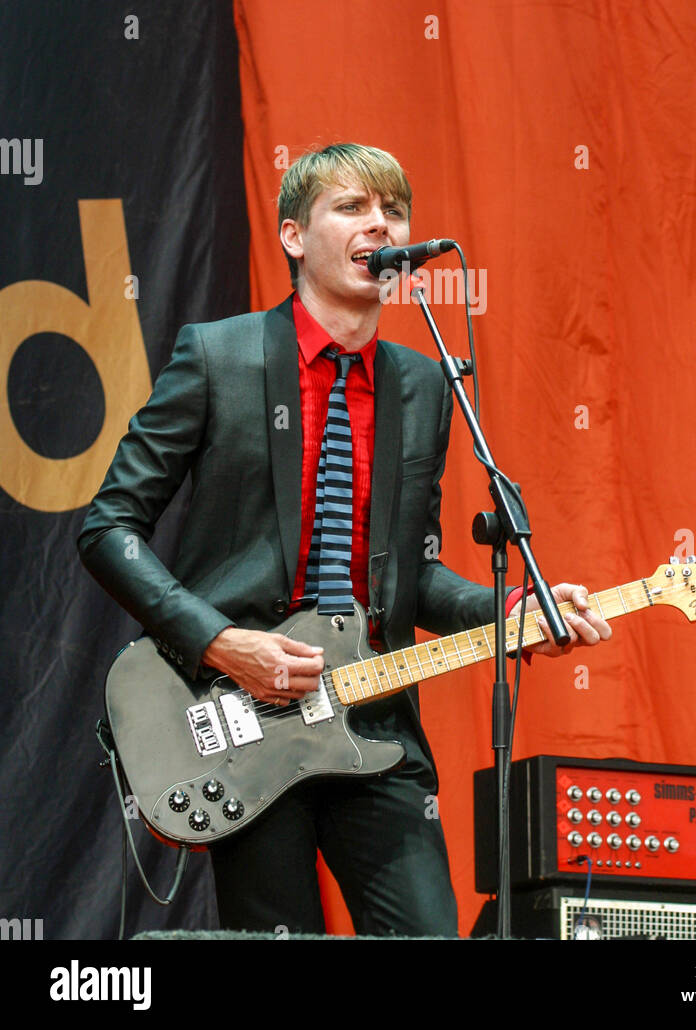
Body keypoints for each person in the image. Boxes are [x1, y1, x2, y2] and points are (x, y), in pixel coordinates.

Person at [78, 142, 612, 936]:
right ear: (295, 235)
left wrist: (516, 608)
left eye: (393, 210)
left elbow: (413, 576)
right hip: (244, 713)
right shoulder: (217, 357)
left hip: (376, 726)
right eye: (353, 207)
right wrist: (221, 642)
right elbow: (108, 525)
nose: (381, 224)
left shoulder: (424, 386)